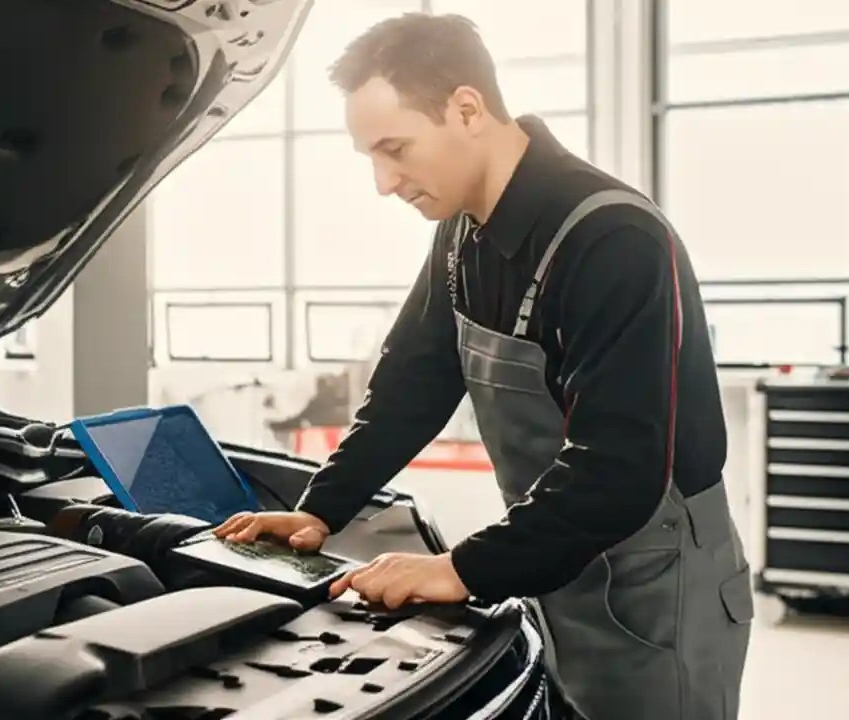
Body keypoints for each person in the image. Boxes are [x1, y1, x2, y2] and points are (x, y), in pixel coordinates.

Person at [213, 12, 753, 720]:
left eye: (395, 148)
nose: (383, 181)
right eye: (369, 156)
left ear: (466, 109)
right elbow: (413, 381)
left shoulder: (614, 240)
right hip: (554, 557)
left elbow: (620, 467)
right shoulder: (459, 235)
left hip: (658, 583)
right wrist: (322, 507)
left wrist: (459, 570)